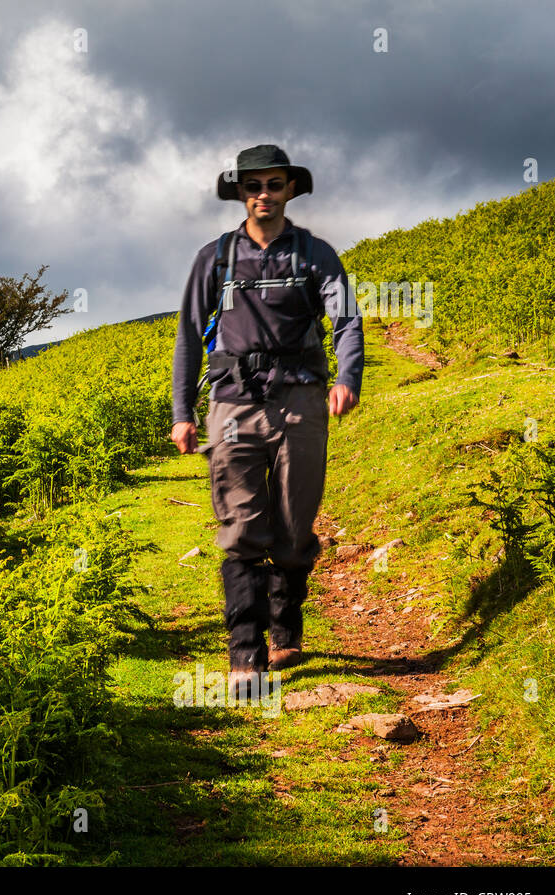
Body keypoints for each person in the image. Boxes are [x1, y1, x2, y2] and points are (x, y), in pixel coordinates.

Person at [170, 144, 364, 698]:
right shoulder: (215, 258)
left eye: (274, 185)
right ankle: (245, 653)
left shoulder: (315, 254)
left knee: (293, 526)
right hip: (231, 403)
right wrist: (183, 413)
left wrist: (347, 376)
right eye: (253, 186)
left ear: (289, 190)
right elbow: (187, 334)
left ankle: (286, 626)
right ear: (240, 192)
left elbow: (346, 319)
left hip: (300, 400)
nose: (263, 195)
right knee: (240, 527)